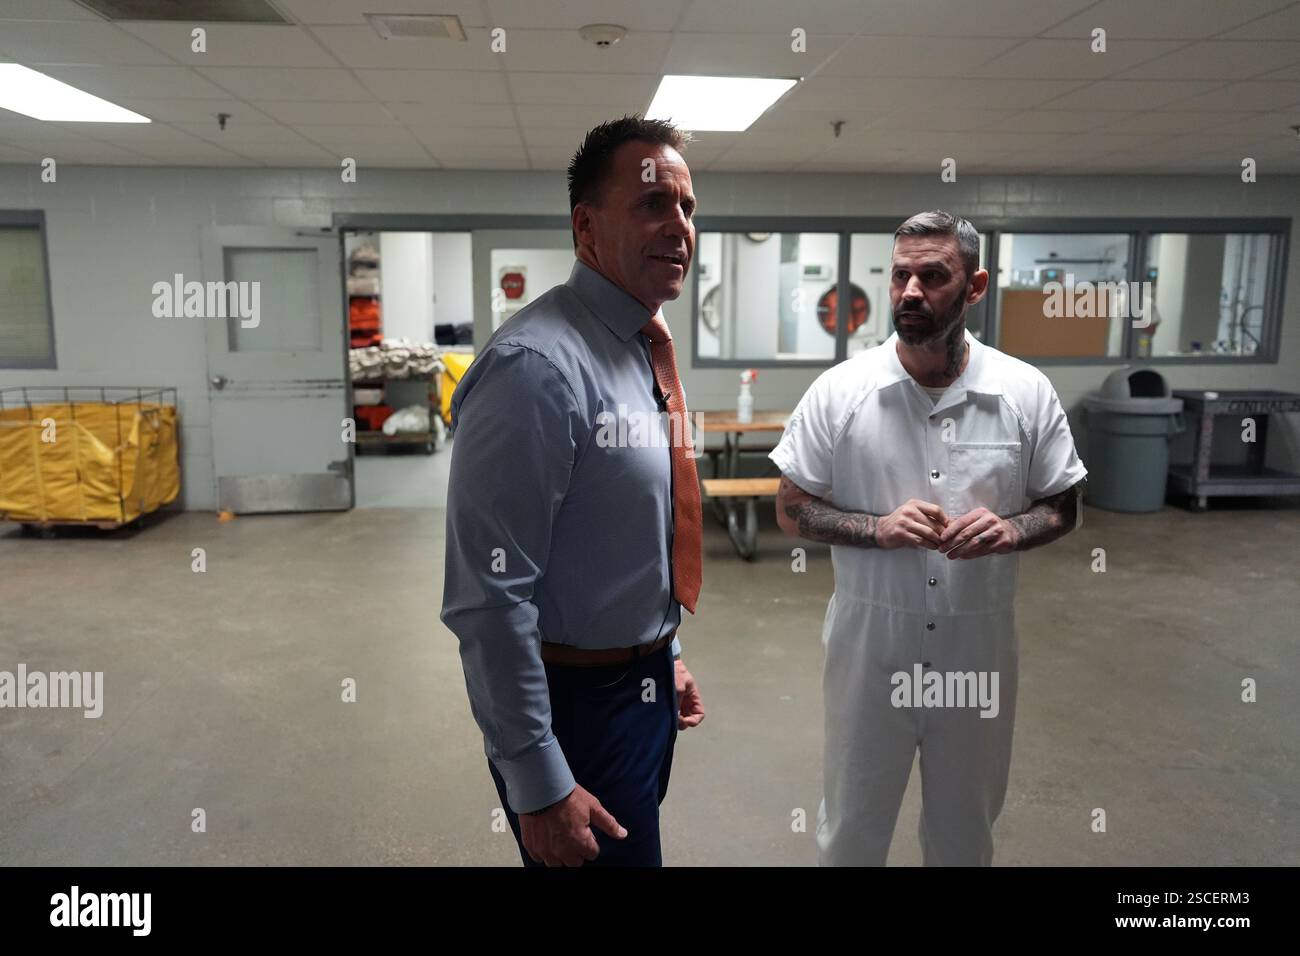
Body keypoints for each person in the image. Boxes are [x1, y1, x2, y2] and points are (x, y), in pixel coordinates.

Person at [771, 210, 1087, 866]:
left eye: (933, 276)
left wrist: (1010, 528)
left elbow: (1062, 507)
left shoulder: (1023, 392)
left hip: (978, 643)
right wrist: (873, 527)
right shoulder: (842, 392)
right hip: (870, 644)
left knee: (964, 831)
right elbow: (791, 508)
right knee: (852, 826)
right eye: (900, 275)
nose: (910, 291)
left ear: (974, 287)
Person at [440, 116, 706, 868]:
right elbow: (487, 599)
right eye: (654, 204)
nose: (679, 227)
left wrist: (665, 650)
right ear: (587, 228)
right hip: (575, 709)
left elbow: (628, 527)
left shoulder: (638, 349)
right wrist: (539, 782)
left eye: (687, 208)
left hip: (642, 685)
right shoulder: (537, 370)